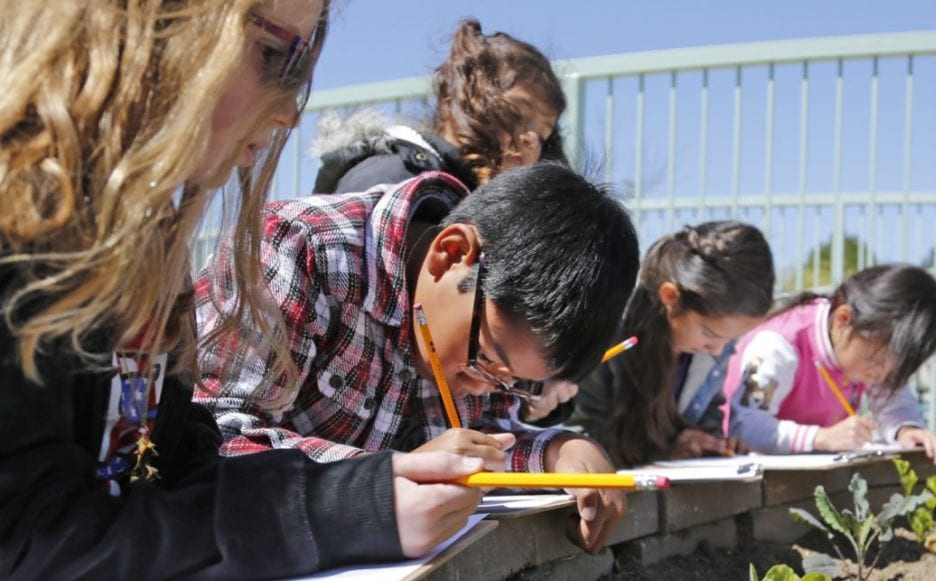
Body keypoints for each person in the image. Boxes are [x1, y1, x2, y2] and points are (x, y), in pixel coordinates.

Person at [0, 0, 489, 581]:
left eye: (300, 62)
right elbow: (22, 532)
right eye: (269, 52)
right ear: (141, 28)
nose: (288, 112)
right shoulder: (20, 233)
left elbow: (164, 469)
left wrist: (361, 490)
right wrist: (329, 515)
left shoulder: (141, 239)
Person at [195, 162, 641, 553]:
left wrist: (559, 450)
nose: (481, 388)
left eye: (512, 383)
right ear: (451, 256)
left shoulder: (477, 322)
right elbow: (214, 436)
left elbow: (485, 441)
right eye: (483, 360)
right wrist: (375, 479)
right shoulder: (298, 249)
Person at [567, 222, 775, 467]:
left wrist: (712, 445)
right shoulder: (609, 337)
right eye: (710, 333)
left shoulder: (709, 347)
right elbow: (576, 441)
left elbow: (709, 417)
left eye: (730, 341)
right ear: (671, 297)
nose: (719, 350)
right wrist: (664, 452)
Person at [721, 264, 936, 464]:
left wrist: (905, 430)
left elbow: (894, 402)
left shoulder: (868, 344)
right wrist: (821, 438)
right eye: (876, 361)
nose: (883, 375)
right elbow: (745, 425)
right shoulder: (780, 343)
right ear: (843, 320)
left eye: (896, 369)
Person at [312, 18, 566, 196]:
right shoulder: (397, 177)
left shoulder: (470, 191)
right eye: (517, 114)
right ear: (470, 94)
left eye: (542, 134)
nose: (530, 138)